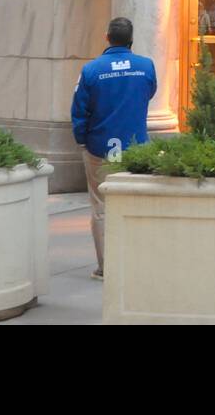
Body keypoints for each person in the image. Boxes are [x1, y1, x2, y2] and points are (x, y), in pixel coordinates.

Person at [71, 17, 157, 280]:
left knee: (101, 207)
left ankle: (107, 267)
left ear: (107, 37)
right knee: (135, 203)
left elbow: (79, 111)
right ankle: (134, 260)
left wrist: (82, 140)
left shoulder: (91, 70)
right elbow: (149, 93)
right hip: (135, 148)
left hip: (100, 148)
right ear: (131, 39)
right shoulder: (146, 66)